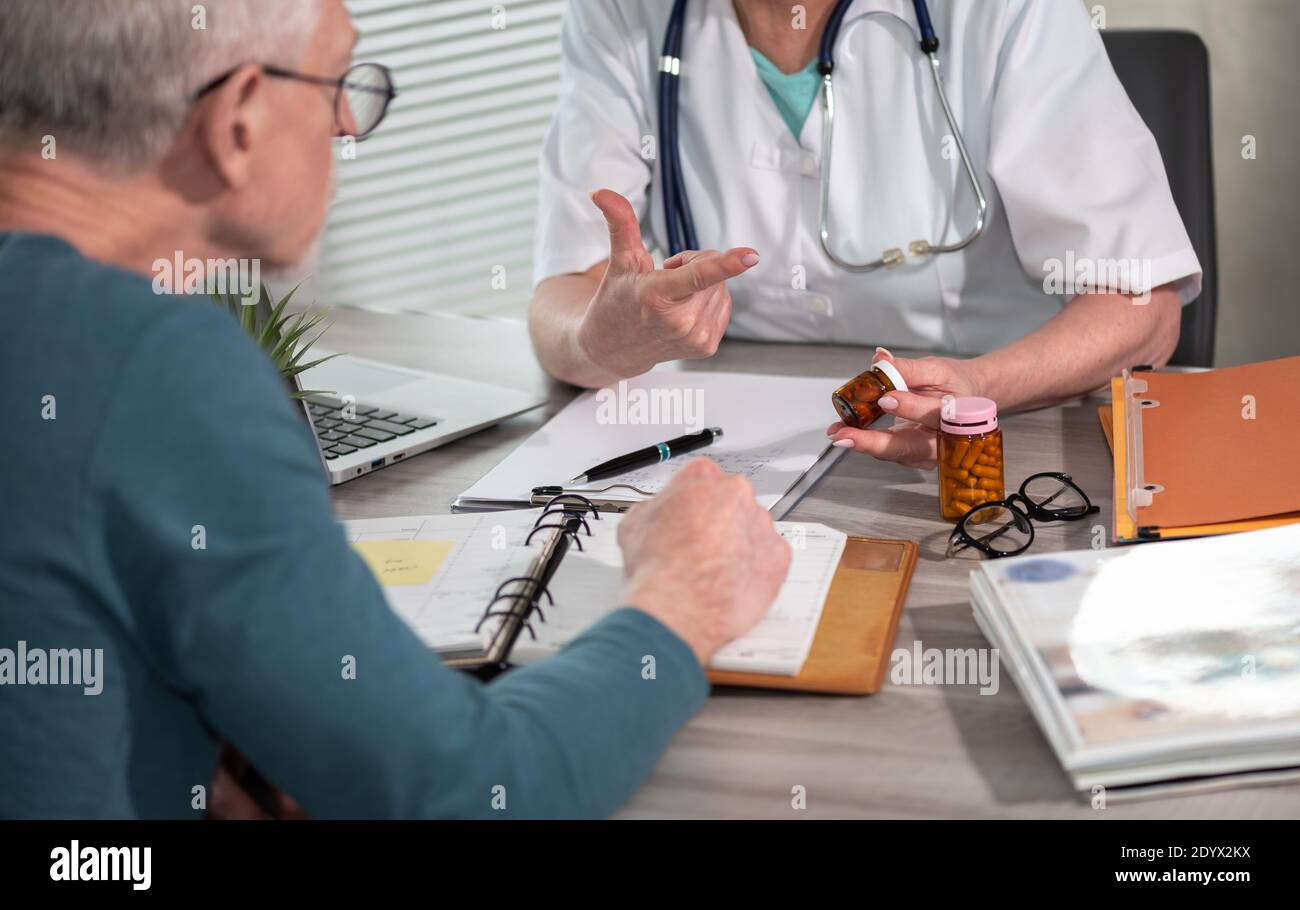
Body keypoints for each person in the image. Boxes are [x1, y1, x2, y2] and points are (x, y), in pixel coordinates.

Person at [0, 0, 790, 819]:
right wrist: (680, 597)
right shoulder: (160, 371)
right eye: (336, 79)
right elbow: (478, 794)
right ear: (236, 122)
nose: (346, 123)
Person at [528, 0, 1204, 468]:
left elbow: (1146, 309)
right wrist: (598, 338)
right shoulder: (618, 14)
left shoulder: (1004, 11)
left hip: (1003, 430)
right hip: (739, 443)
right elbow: (564, 294)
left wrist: (979, 386)